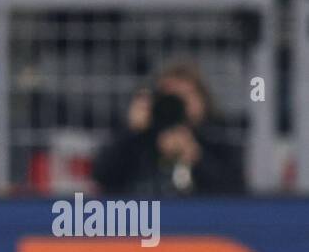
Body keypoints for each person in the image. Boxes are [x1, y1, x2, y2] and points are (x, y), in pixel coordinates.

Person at [92, 61, 245, 196]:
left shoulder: (217, 142)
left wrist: (198, 159)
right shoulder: (136, 142)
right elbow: (102, 176)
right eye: (170, 95)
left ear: (203, 100)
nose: (177, 103)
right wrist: (132, 132)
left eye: (186, 95)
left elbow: (236, 195)